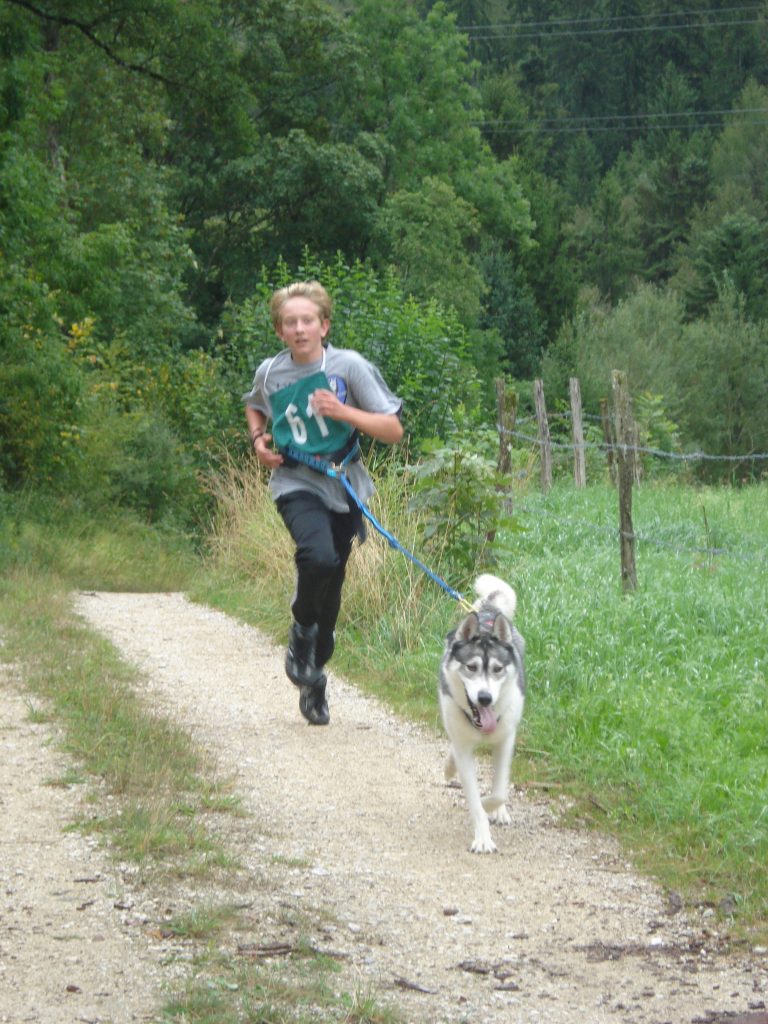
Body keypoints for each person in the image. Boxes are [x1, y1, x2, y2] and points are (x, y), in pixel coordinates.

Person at [243, 280, 403, 726]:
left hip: (344, 482)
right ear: (279, 330)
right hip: (294, 480)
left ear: (324, 325)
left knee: (332, 587)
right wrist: (258, 440)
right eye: (290, 322)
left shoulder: (349, 367)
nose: (299, 329)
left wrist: (343, 412)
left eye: (307, 320)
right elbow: (254, 405)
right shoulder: (270, 372)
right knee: (316, 555)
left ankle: (314, 673)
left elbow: (392, 430)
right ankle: (300, 630)